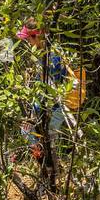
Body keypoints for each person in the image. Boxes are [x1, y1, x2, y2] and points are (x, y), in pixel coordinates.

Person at [14, 20, 76, 163]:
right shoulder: (48, 52)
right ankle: (47, 170)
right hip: (47, 106)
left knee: (46, 141)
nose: (28, 43)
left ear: (36, 37)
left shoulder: (52, 57)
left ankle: (49, 174)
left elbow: (51, 86)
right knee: (41, 139)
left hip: (55, 107)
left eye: (28, 39)